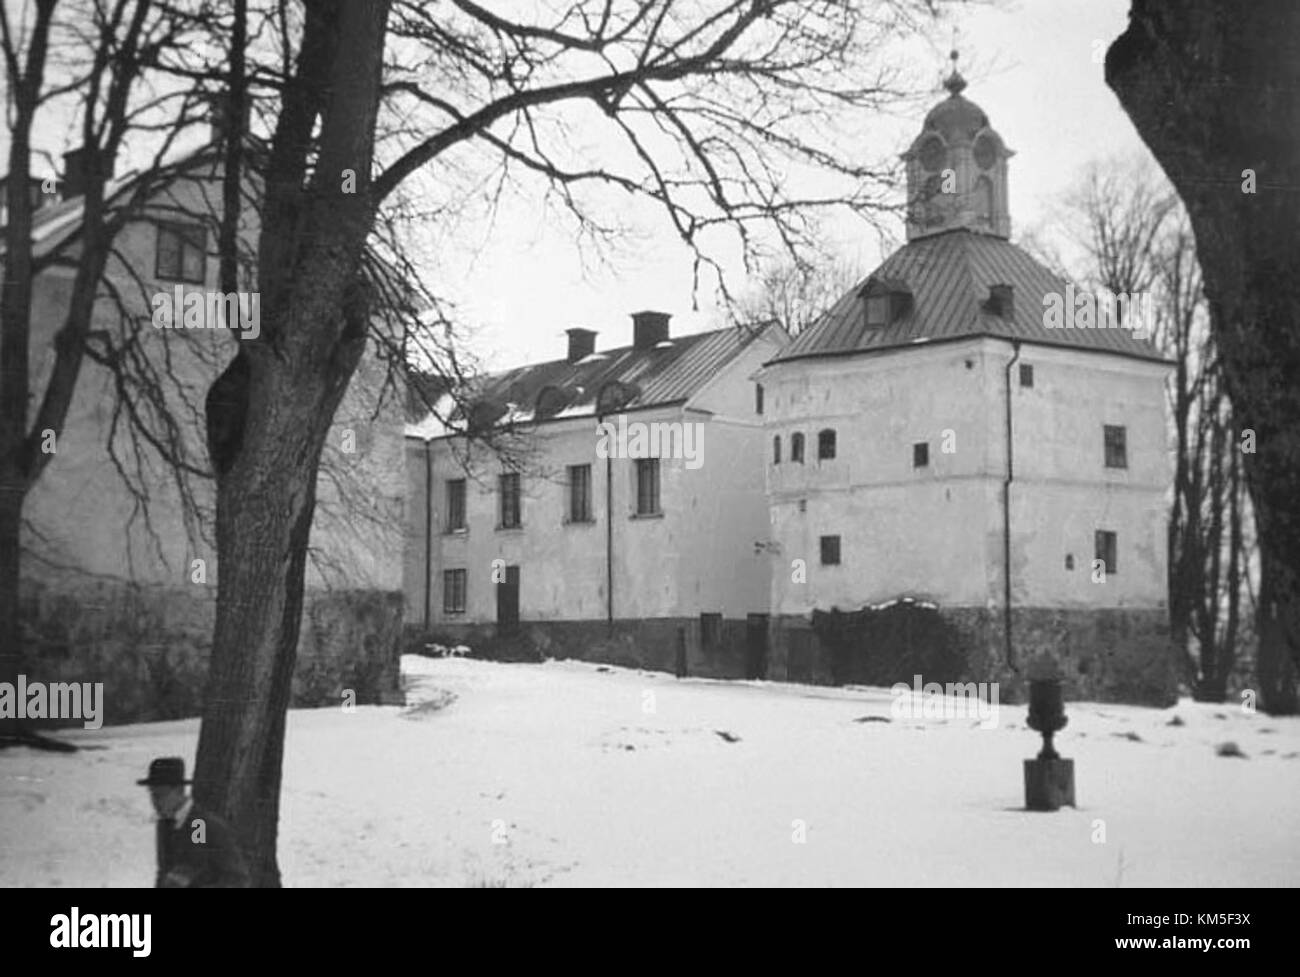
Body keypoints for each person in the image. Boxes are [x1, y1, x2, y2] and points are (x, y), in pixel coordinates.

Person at [138, 756, 251, 888]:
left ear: (179, 791)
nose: (155, 802)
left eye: (161, 795)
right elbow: (164, 871)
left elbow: (238, 879)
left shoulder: (199, 824)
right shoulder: (164, 825)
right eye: (152, 795)